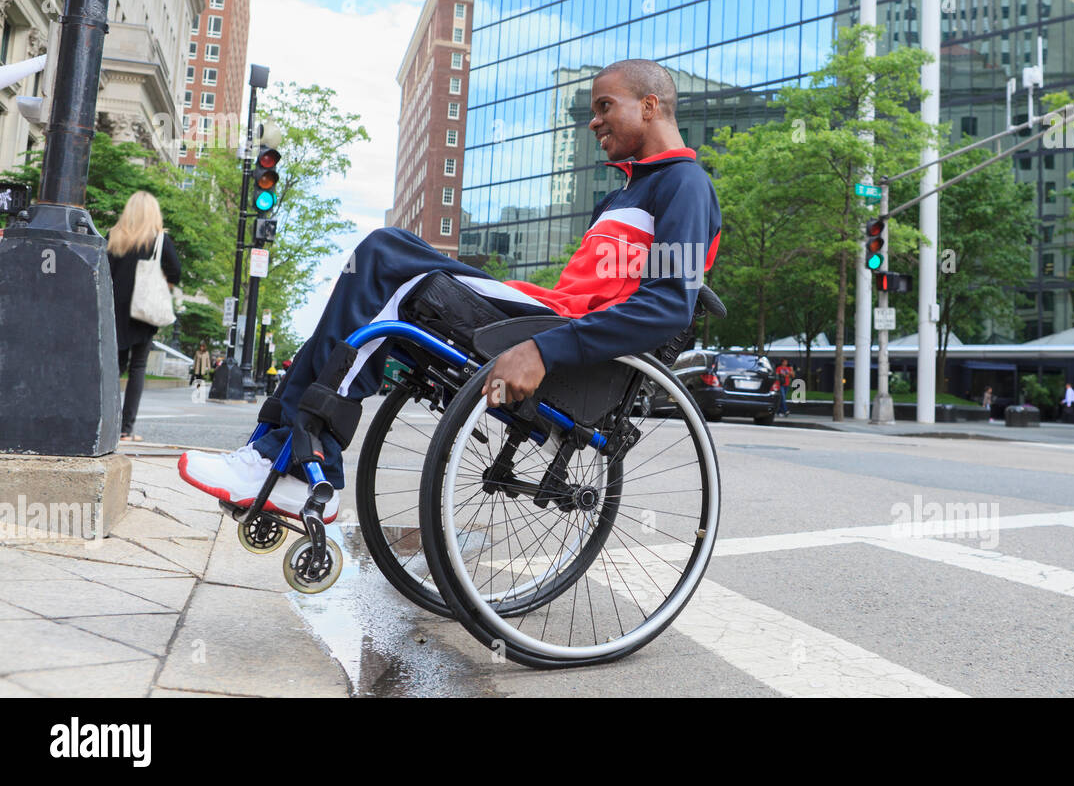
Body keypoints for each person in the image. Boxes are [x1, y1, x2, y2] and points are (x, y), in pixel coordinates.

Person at [179, 59, 722, 521]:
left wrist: (542, 348)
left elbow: (669, 304)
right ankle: (273, 450)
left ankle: (296, 462)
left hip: (567, 334)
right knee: (384, 264)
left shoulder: (684, 186)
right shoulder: (622, 196)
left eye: (605, 106)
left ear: (650, 106)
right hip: (551, 313)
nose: (593, 121)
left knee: (387, 257)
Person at [107, 191, 181, 443]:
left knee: (113, 368)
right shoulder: (159, 239)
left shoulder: (113, 237)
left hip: (114, 310)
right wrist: (163, 284)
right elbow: (175, 271)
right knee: (138, 367)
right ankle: (126, 429)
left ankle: (108, 424)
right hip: (143, 311)